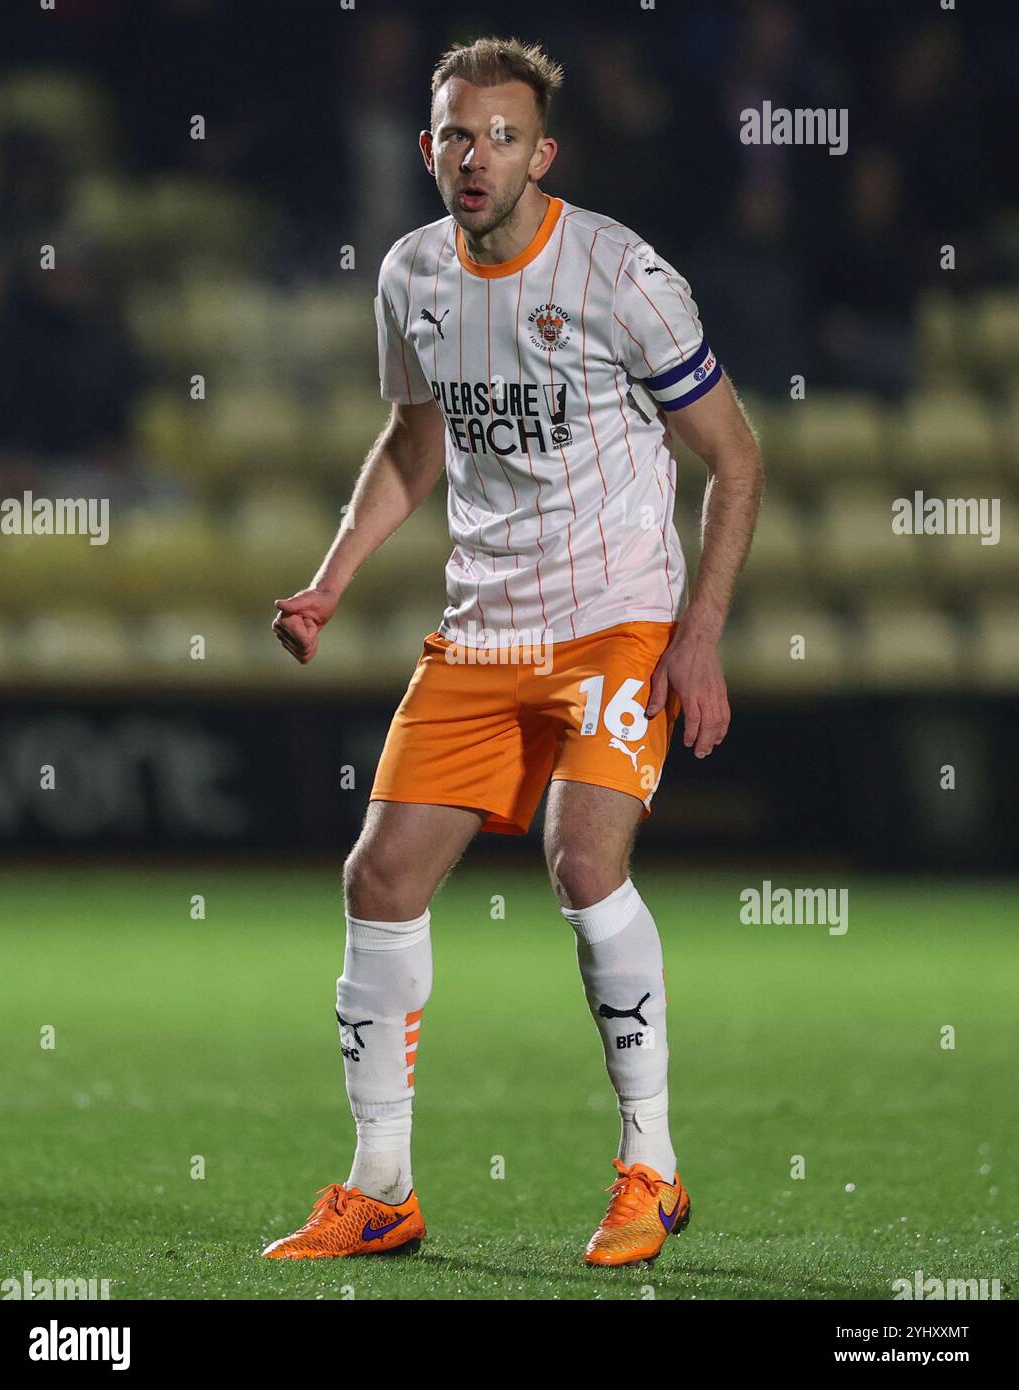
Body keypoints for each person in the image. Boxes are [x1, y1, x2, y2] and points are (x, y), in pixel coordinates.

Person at [264, 35, 763, 1268]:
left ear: (542, 153)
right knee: (377, 881)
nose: (472, 156)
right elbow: (409, 446)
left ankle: (648, 1164)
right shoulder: (410, 274)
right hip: (483, 629)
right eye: (452, 134)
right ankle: (380, 1187)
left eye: (498, 136)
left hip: (614, 616)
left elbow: (735, 458)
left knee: (582, 860)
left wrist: (698, 637)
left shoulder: (618, 274)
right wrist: (331, 580)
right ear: (427, 145)